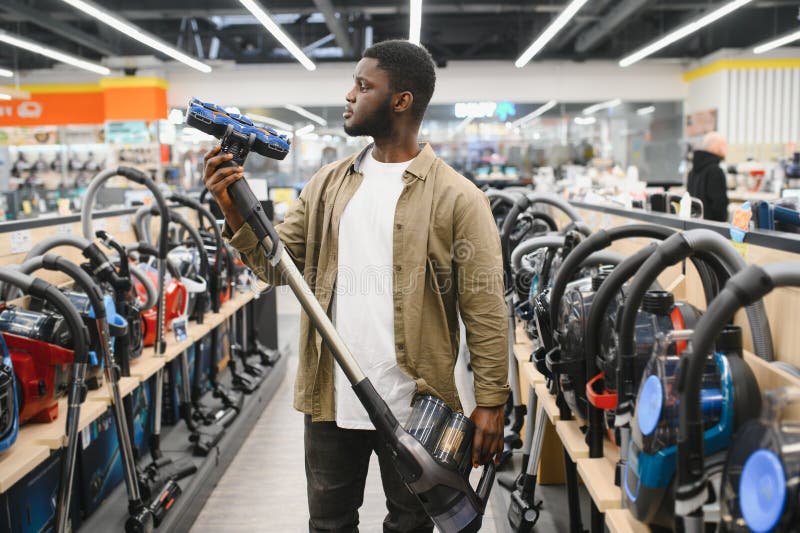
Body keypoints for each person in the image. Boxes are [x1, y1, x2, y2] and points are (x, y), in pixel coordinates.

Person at [204, 40, 509, 533]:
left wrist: (491, 402)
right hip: (333, 398)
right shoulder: (328, 184)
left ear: (401, 100)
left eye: (363, 86)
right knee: (329, 525)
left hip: (417, 405)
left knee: (409, 527)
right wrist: (232, 206)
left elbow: (484, 305)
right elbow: (278, 267)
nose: (349, 95)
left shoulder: (458, 197)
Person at [687, 131, 729, 222]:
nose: (726, 149)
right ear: (716, 147)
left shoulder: (692, 171)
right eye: (724, 145)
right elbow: (719, 206)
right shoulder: (715, 171)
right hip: (713, 229)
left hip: (696, 225)